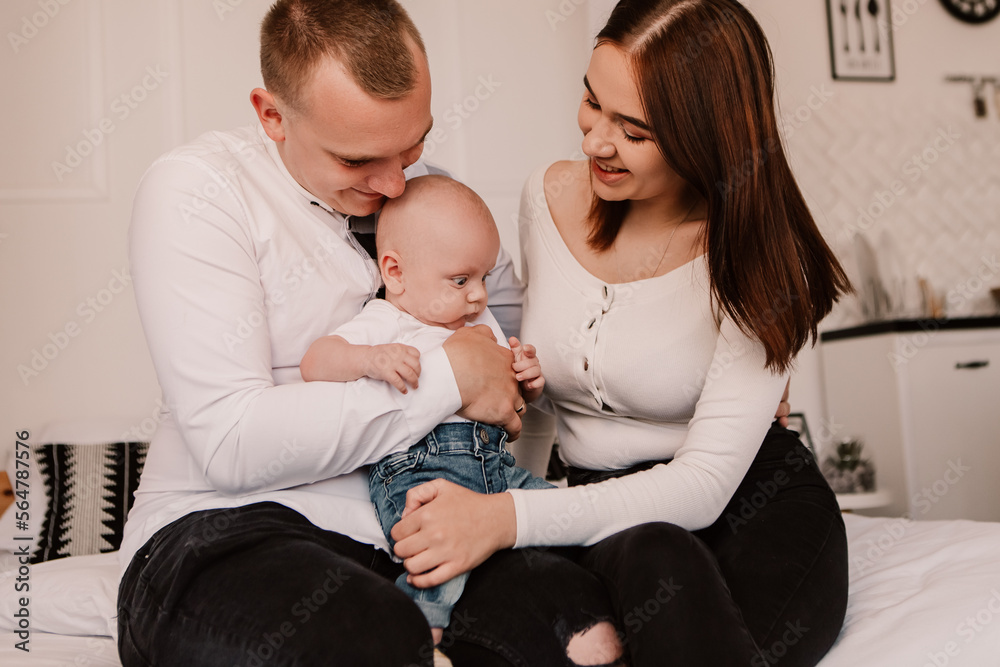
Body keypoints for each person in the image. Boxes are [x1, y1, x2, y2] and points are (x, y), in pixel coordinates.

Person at [117, 1, 626, 665]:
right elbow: (233, 440)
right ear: (272, 115)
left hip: (417, 526)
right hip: (225, 527)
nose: (394, 183)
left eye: (411, 145)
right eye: (359, 159)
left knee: (583, 622)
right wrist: (450, 376)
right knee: (368, 636)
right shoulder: (198, 193)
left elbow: (534, 353)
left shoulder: (433, 197)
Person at [389, 1, 853, 665]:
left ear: (706, 137)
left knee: (660, 562)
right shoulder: (545, 199)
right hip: (597, 511)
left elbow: (701, 486)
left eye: (634, 131)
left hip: (751, 510)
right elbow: (530, 392)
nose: (594, 142)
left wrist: (503, 520)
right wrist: (497, 485)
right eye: (590, 100)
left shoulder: (761, 257)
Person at [299, 175, 553, 648]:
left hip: (497, 467)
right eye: (461, 280)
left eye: (484, 277)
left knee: (560, 522)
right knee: (439, 558)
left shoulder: (478, 319)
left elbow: (511, 403)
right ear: (395, 273)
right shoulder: (387, 320)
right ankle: (418, 633)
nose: (478, 295)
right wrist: (369, 359)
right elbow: (316, 362)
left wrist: (528, 379)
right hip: (422, 471)